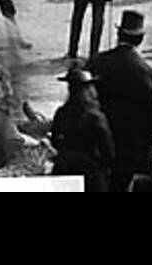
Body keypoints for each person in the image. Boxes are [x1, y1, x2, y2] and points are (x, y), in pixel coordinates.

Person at [87, 11, 152, 193]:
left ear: (119, 35)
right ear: (141, 39)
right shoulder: (146, 72)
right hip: (132, 147)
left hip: (97, 143)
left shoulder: (97, 62)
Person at [49, 63, 115, 193]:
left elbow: (55, 140)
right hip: (89, 172)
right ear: (89, 89)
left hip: (65, 169)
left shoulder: (62, 112)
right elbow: (107, 149)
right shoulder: (95, 116)